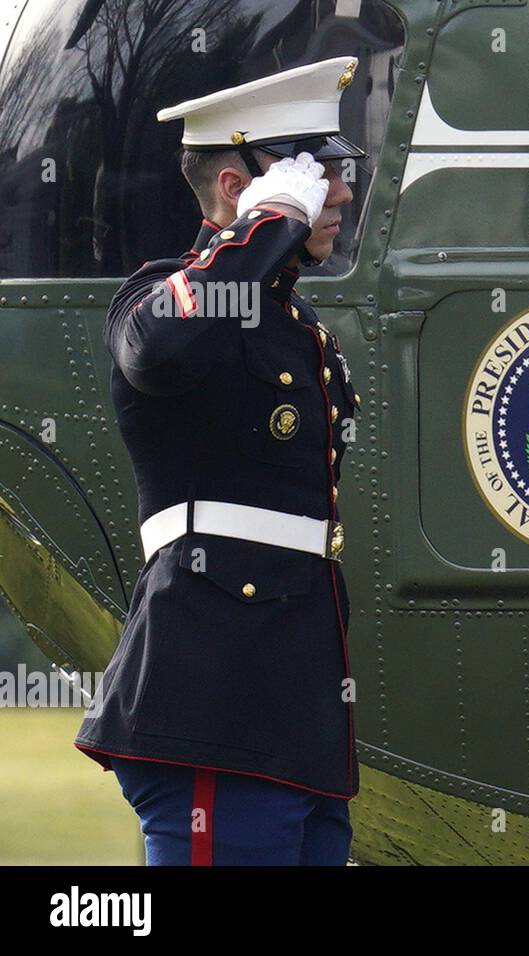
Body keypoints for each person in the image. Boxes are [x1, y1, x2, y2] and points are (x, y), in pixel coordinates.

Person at [74, 57, 367, 865]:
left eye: (339, 169)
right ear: (240, 188)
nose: (338, 191)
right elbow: (162, 352)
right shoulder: (157, 296)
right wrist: (263, 231)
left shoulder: (297, 326)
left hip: (296, 709)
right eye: (315, 170)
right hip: (213, 700)